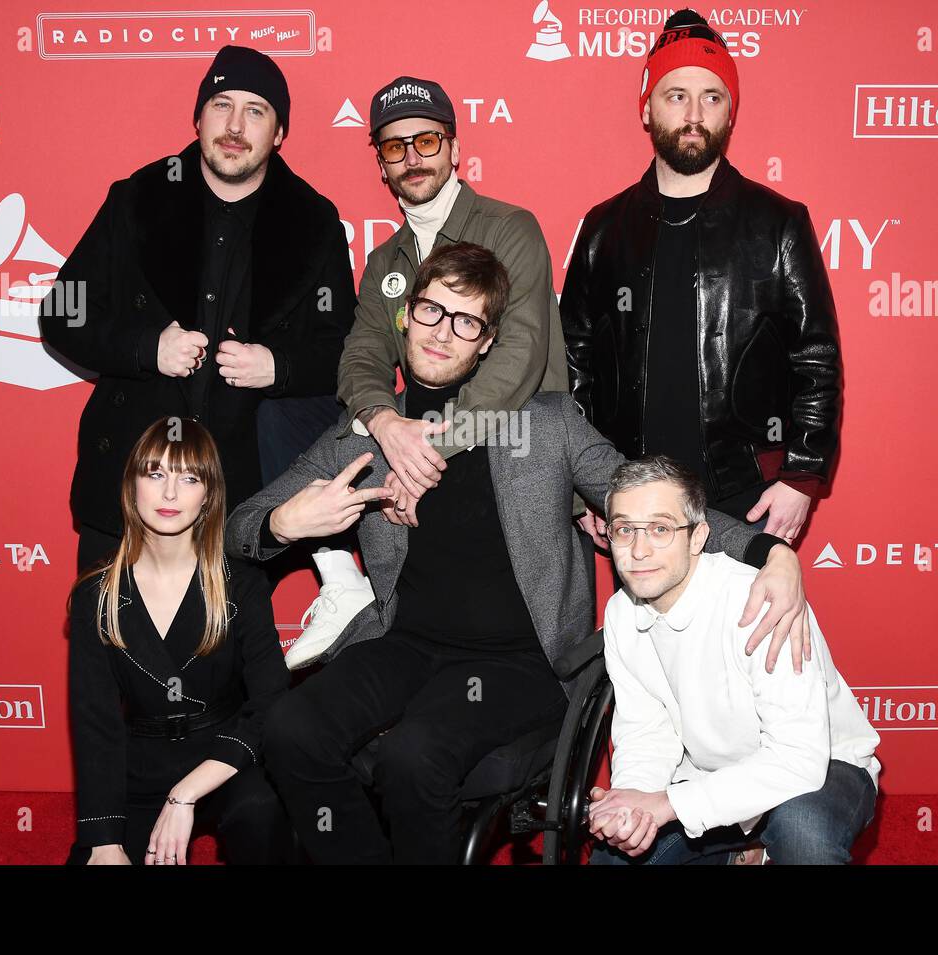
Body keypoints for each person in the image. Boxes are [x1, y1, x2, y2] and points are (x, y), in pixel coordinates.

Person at [225, 243, 810, 864]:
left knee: (412, 756)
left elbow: (646, 495)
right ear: (404, 318)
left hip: (519, 662)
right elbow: (240, 528)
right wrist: (287, 522)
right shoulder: (364, 435)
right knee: (291, 731)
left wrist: (769, 551)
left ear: (487, 341)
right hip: (405, 644)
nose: (443, 334)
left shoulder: (545, 423)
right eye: (431, 310)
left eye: (466, 321)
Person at [282, 75, 573, 668]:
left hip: (511, 469)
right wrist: (386, 424)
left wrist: (425, 453)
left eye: (427, 141)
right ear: (381, 165)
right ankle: (343, 581)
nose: (412, 157)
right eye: (395, 146)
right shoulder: (383, 262)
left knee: (511, 670)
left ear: (456, 148)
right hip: (422, 481)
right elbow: (361, 357)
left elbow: (518, 359)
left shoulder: (509, 227)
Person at [39, 44, 356, 574]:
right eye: (220, 105)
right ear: (197, 117)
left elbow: (345, 349)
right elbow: (62, 313)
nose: (235, 125)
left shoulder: (314, 223)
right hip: (128, 485)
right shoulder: (137, 199)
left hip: (241, 503)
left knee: (225, 655)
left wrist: (279, 367)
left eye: (255, 111)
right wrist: (145, 348)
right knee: (107, 649)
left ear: (278, 133)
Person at [560, 9, 842, 546]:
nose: (694, 113)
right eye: (676, 95)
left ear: (730, 112)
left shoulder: (778, 222)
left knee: (749, 631)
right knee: (645, 633)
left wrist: (802, 475)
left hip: (748, 491)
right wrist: (588, 486)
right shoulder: (603, 229)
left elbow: (815, 356)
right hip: (635, 493)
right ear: (647, 109)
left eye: (712, 97)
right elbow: (574, 368)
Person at [588, 456, 880, 865]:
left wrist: (669, 804)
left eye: (659, 529)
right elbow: (645, 731)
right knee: (612, 860)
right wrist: (633, 805)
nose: (638, 550)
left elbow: (797, 758)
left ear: (697, 537)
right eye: (624, 530)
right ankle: (744, 855)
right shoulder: (621, 614)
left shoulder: (759, 602)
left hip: (821, 769)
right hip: (707, 778)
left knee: (803, 835)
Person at [65, 417, 292, 865]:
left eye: (189, 478)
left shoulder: (241, 583)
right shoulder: (97, 594)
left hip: (226, 760)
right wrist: (104, 841)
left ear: (208, 496)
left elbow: (272, 702)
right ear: (132, 486)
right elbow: (96, 726)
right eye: (155, 474)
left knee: (260, 812)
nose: (170, 494)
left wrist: (186, 792)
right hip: (141, 765)